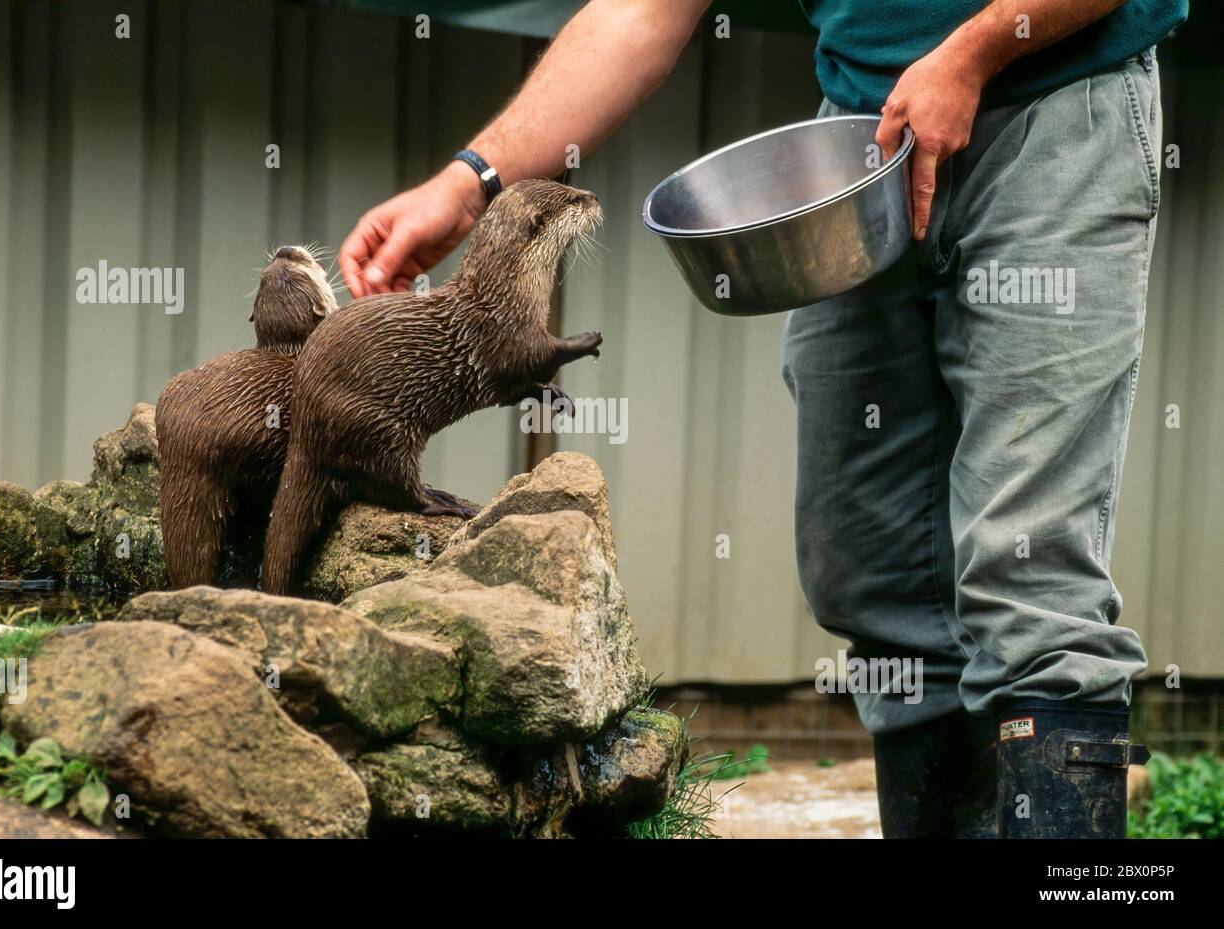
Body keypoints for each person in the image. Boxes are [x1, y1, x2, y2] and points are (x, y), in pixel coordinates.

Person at [338, 0, 1188, 838]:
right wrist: (468, 183)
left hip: (1055, 112)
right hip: (864, 144)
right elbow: (641, 14)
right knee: (875, 572)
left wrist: (971, 54)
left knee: (1027, 574)